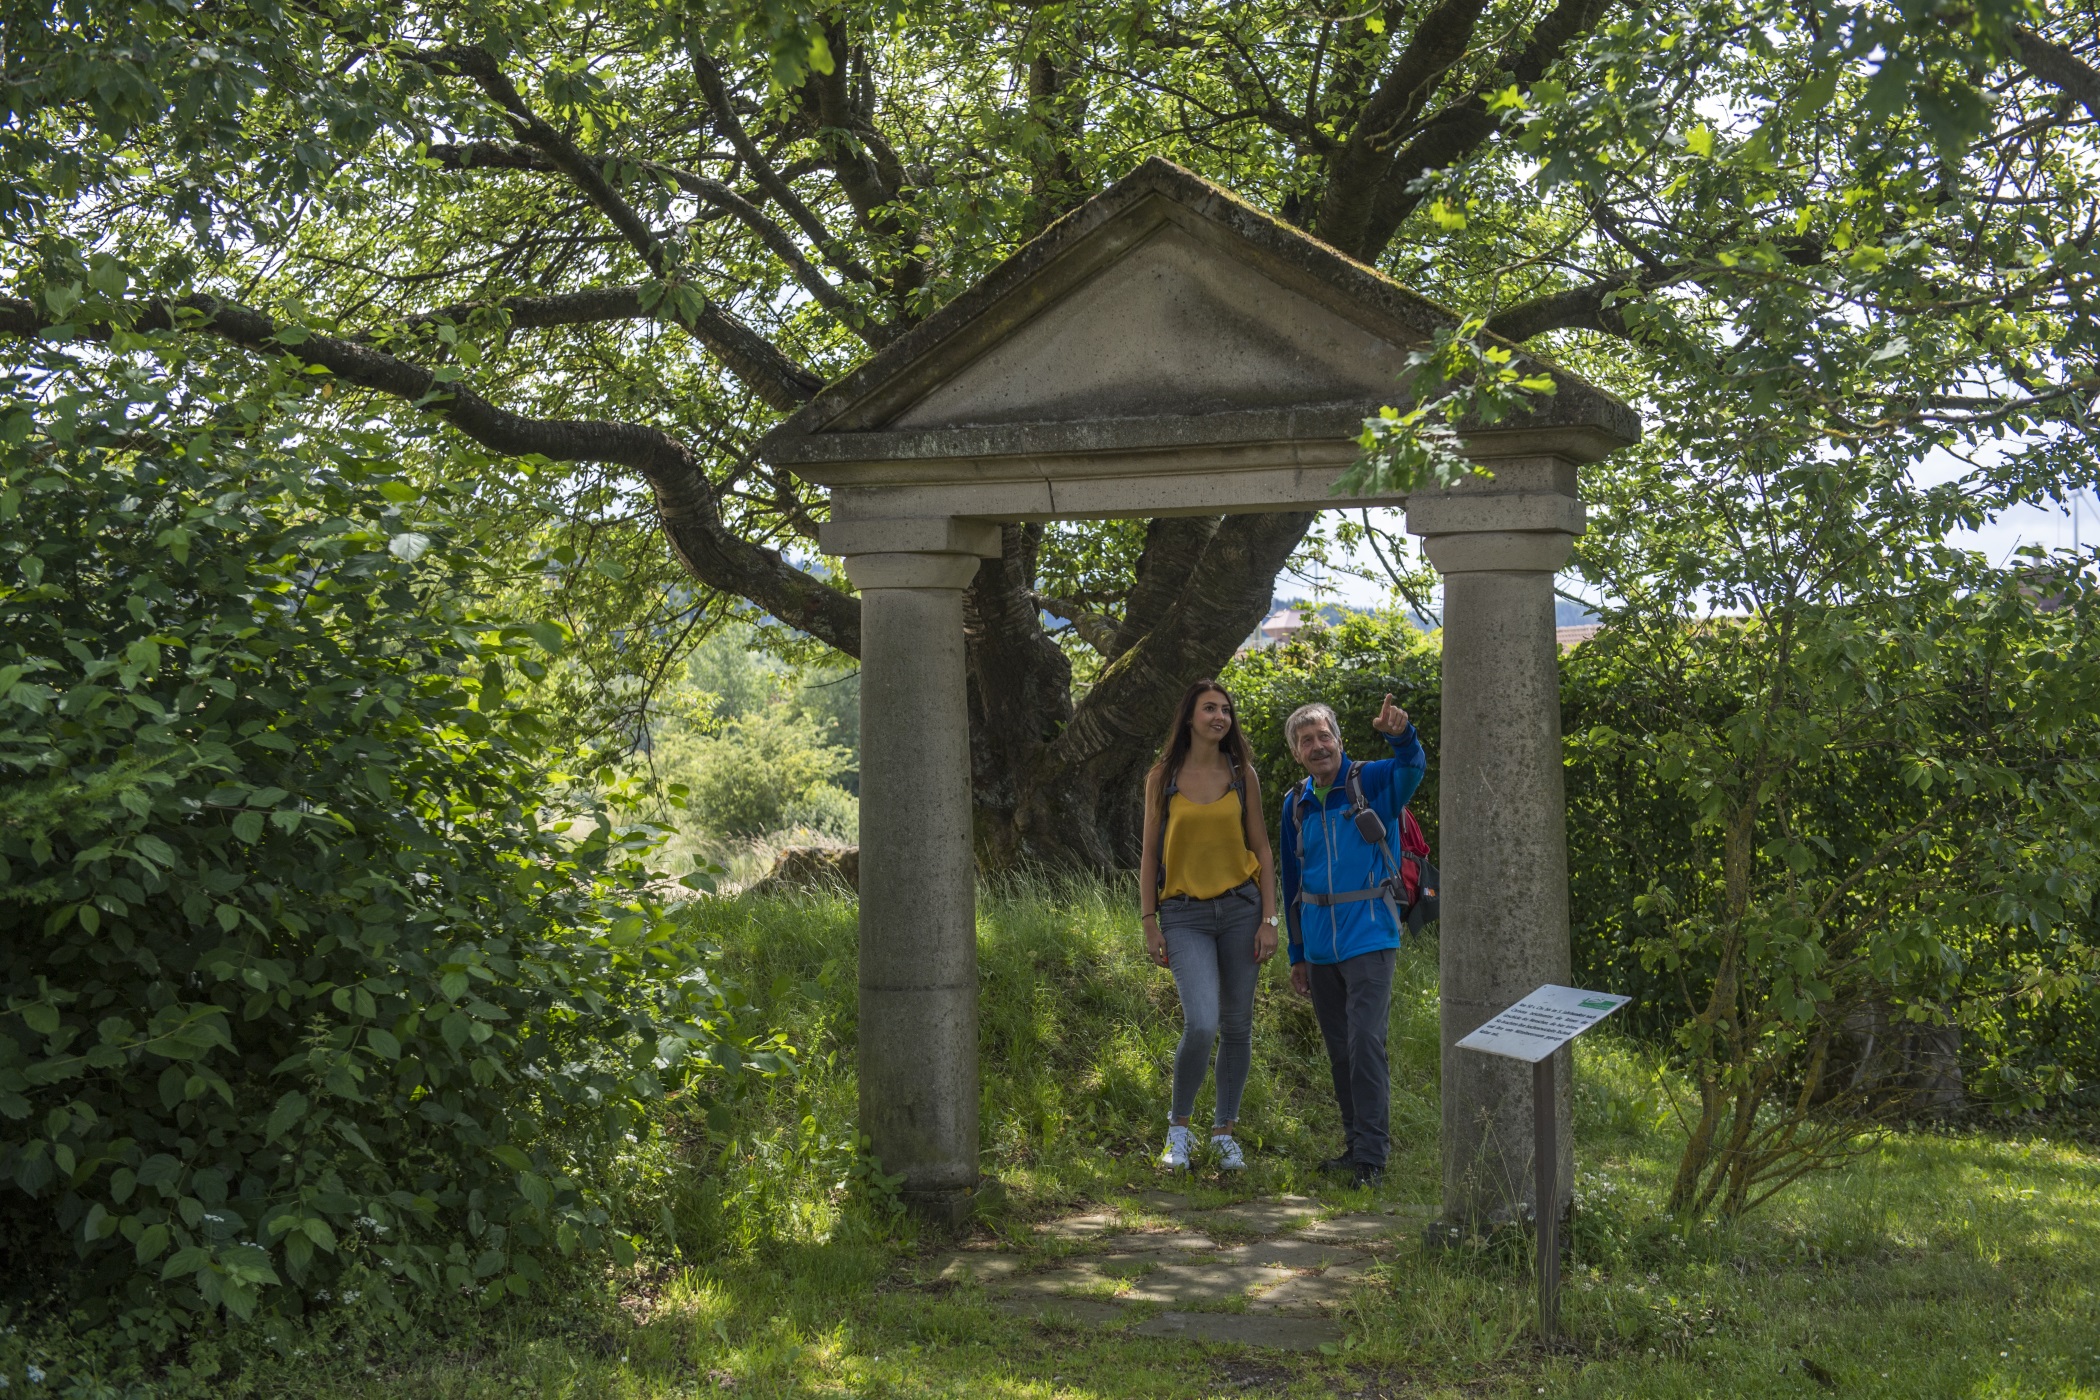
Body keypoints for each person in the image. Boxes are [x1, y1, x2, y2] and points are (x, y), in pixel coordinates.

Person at [1279, 695, 1427, 1188]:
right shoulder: (1294, 803)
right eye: (1306, 741)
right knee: (1340, 1049)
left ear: (1339, 740)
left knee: (1366, 1042)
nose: (1317, 746)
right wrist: (1297, 955)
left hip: (1371, 937)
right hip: (1320, 949)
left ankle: (1373, 1158)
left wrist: (1401, 734)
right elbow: (1292, 882)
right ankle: (1355, 1146)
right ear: (1297, 753)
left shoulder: (1375, 782)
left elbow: (1413, 764)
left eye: (1324, 736)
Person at [1137, 679, 1279, 1172]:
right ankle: (1179, 1130)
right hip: (1183, 915)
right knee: (1201, 1023)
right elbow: (1150, 853)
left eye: (1226, 709)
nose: (1220, 716)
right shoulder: (1163, 777)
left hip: (1241, 910)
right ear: (1190, 717)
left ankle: (1224, 1133)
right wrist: (1149, 922)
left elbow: (1262, 849)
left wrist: (1269, 919)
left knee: (1238, 1026)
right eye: (1209, 708)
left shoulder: (1243, 776)